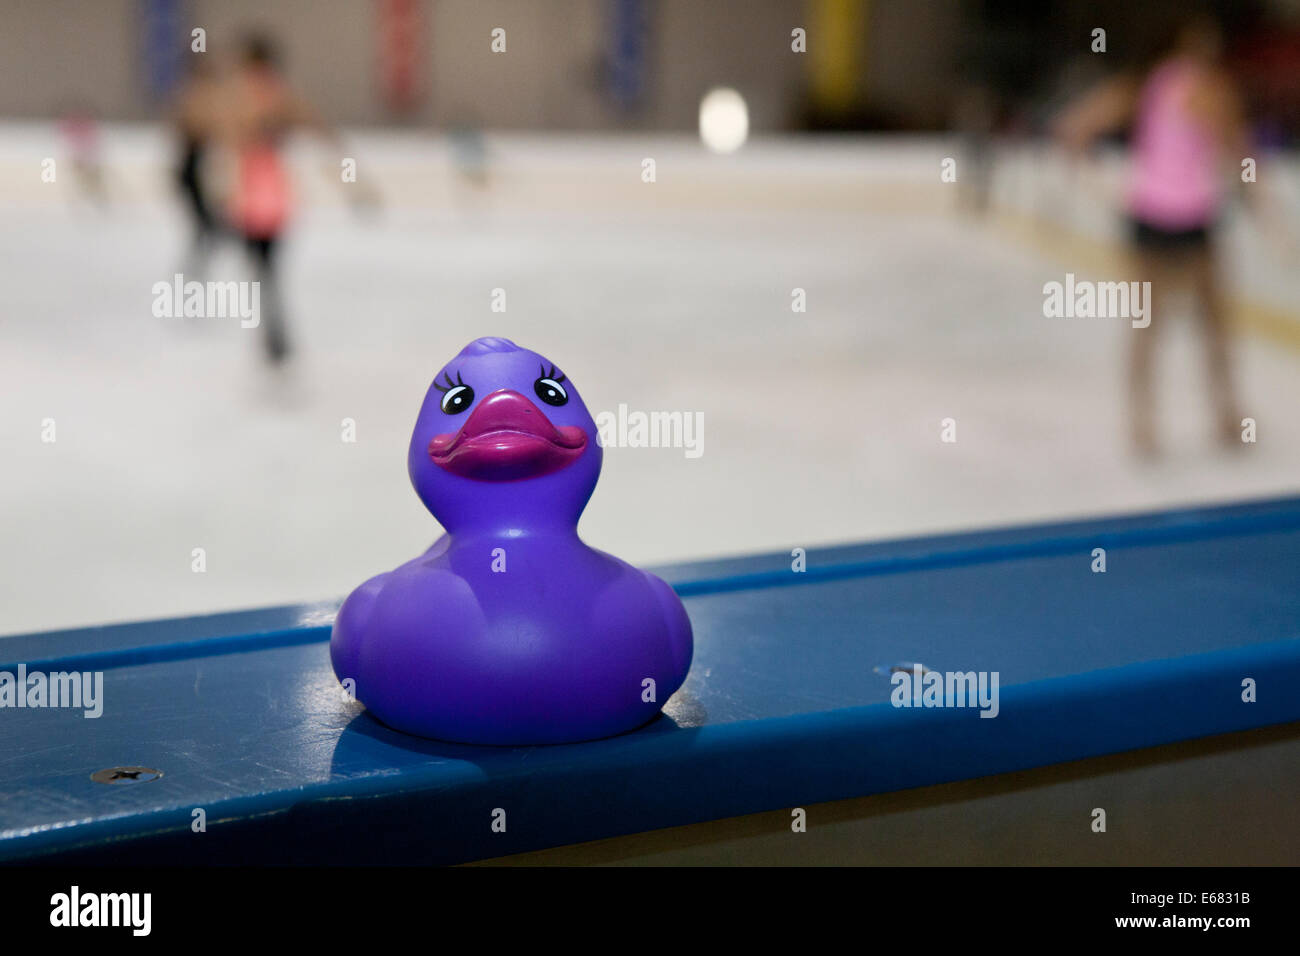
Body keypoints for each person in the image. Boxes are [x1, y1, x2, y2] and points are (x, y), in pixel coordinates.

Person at [1055, 14, 1250, 455]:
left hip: (1159, 220)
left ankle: (1149, 426)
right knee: (1206, 326)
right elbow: (1236, 148)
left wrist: (1097, 182)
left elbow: (1073, 129)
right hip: (1185, 221)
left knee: (1152, 327)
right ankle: (1222, 419)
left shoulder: (1141, 85)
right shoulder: (1205, 88)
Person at [223, 32, 340, 364]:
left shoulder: (251, 94)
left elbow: (235, 134)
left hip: (256, 195)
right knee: (266, 269)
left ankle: (274, 335)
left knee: (262, 270)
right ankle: (275, 334)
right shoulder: (272, 94)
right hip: (269, 194)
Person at [171, 57, 223, 277]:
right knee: (206, 223)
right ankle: (196, 269)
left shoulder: (196, 95)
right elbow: (188, 127)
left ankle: (197, 268)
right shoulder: (193, 95)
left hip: (199, 164)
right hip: (193, 165)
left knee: (208, 224)